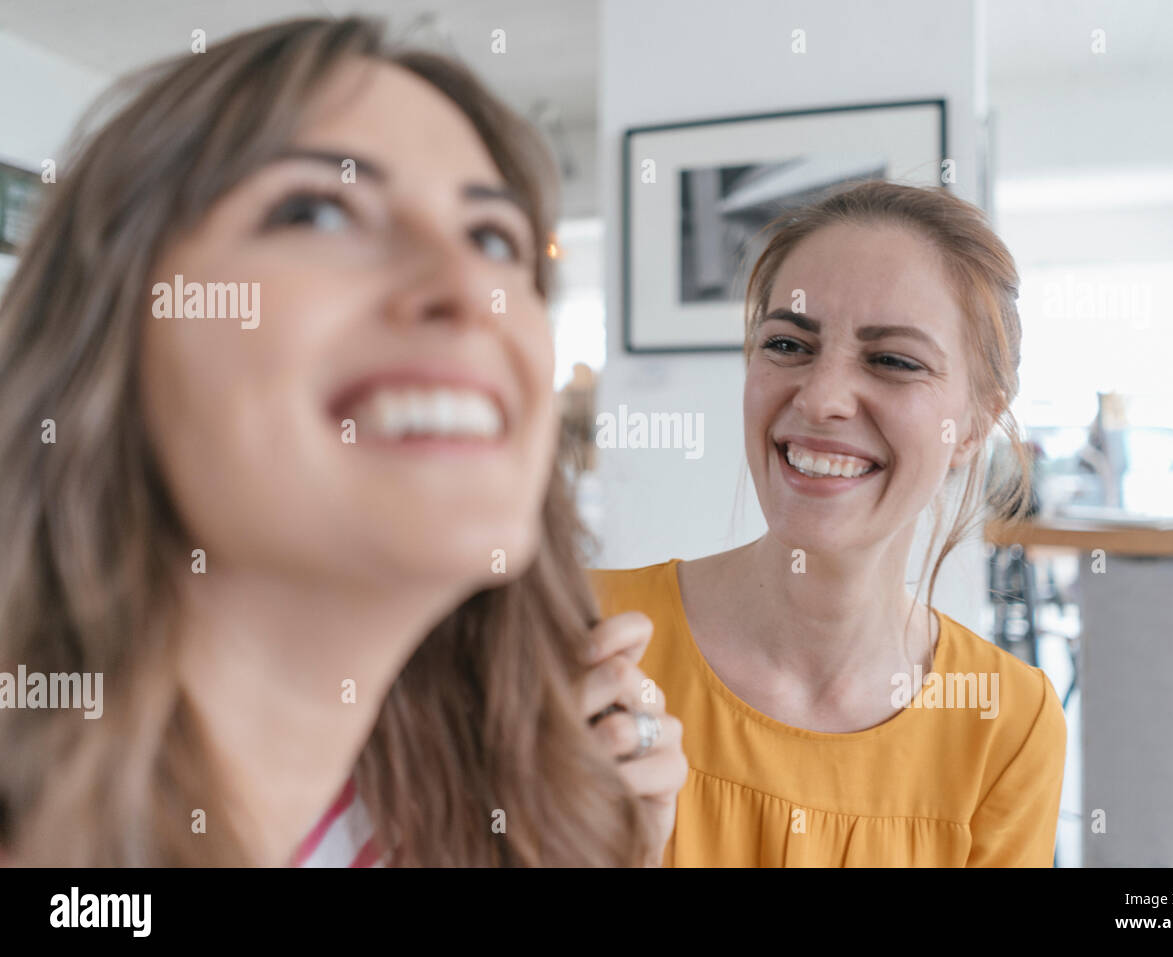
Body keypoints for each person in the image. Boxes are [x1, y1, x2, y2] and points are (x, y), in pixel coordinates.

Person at [0, 16, 684, 867]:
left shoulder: (478, 809)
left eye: (493, 239)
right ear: (108, 322)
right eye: (319, 212)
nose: (470, 287)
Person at [592, 180, 1067, 866]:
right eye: (787, 344)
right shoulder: (588, 631)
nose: (820, 398)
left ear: (973, 426)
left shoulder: (1007, 724)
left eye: (895, 360)